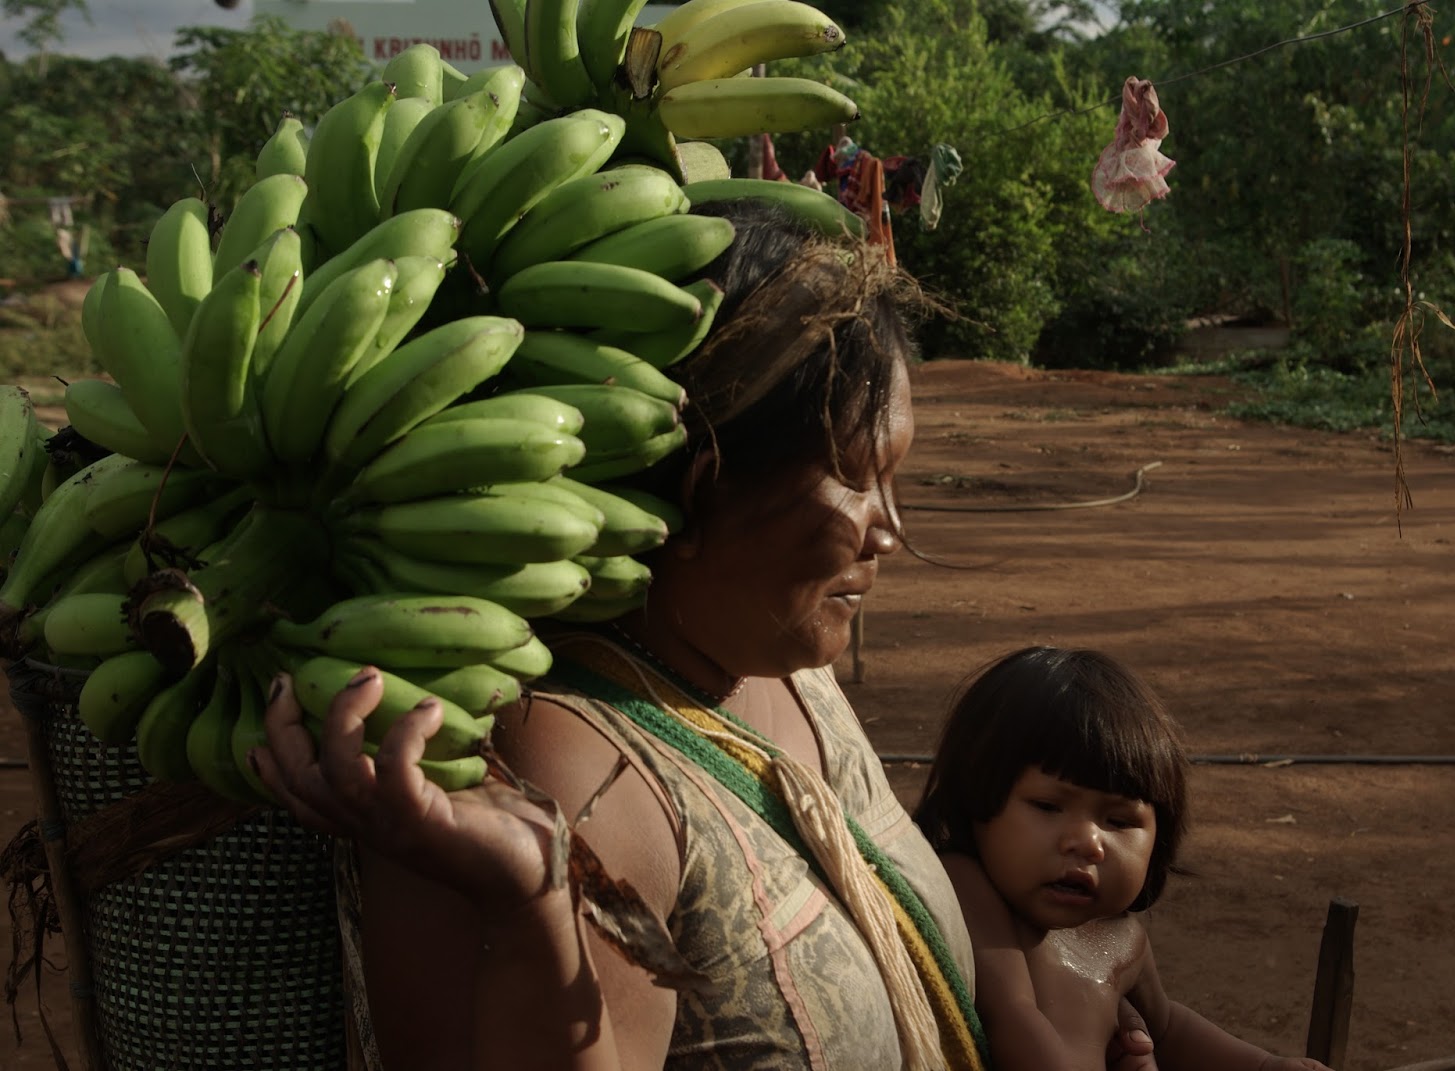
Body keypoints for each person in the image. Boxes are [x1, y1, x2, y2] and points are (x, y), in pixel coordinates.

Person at [253, 199, 1159, 1070]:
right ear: (700, 486)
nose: (888, 529)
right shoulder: (562, 762)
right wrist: (535, 908)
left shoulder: (782, 666)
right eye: (855, 476)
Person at [914, 646, 1334, 1071]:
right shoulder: (968, 891)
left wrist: (1264, 1065)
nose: (1088, 842)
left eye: (1118, 820)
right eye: (1047, 806)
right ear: (974, 801)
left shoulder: (1121, 938)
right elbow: (1013, 1019)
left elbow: (1167, 1030)